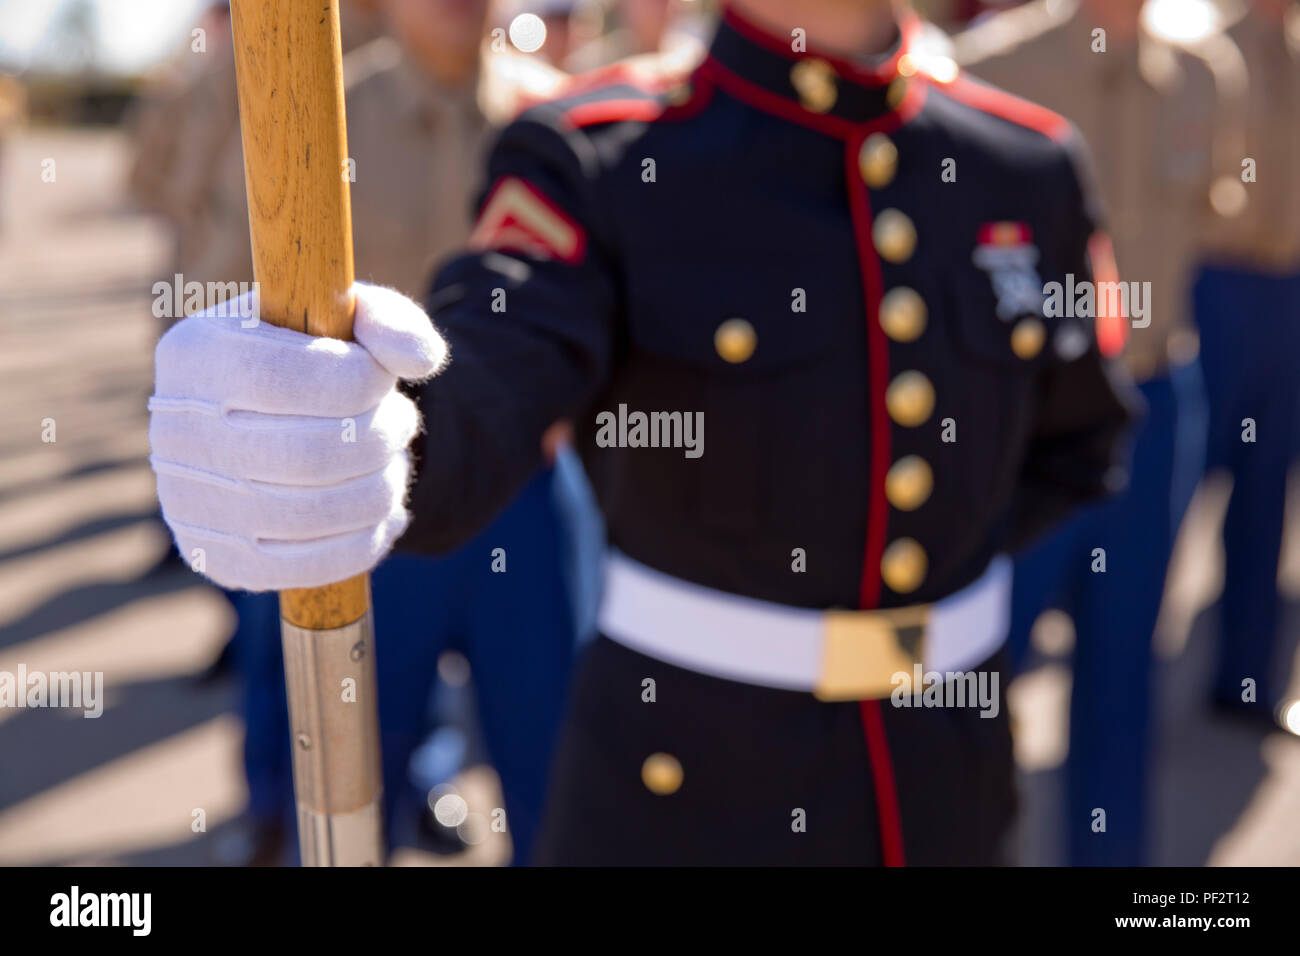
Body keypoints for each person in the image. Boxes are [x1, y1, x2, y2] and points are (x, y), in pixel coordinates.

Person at [148, 0, 1138, 864]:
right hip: (685, 783)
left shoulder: (1027, 163)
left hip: (946, 778)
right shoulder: (603, 151)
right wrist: (370, 430)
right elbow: (498, 356)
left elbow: (1079, 438)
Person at [202, 0, 588, 865]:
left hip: (526, 488)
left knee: (556, 773)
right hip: (359, 489)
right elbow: (230, 300)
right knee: (344, 786)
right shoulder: (302, 118)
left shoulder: (560, 117)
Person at [955, 0, 1247, 865]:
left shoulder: (1202, 76)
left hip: (1157, 397)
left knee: (1125, 671)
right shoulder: (994, 71)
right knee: (972, 677)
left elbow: (1216, 209)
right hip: (1024, 418)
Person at [1194, 0, 1300, 731]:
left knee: (1268, 494)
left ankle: (1247, 678)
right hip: (1215, 284)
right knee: (1174, 484)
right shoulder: (1202, 55)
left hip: (1287, 292)